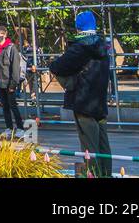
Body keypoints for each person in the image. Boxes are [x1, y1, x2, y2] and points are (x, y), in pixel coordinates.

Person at [48, 11, 112, 178]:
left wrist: (71, 81)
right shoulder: (103, 47)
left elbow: (56, 66)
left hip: (83, 101)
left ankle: (94, 175)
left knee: (89, 146)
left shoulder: (80, 48)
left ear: (78, 27)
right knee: (103, 145)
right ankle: (106, 175)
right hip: (100, 101)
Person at [0, 25, 26, 136]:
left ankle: (20, 128)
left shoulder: (11, 48)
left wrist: (13, 84)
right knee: (4, 106)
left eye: (1, 33)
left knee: (13, 105)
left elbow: (15, 68)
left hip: (9, 82)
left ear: (5, 35)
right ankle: (9, 128)